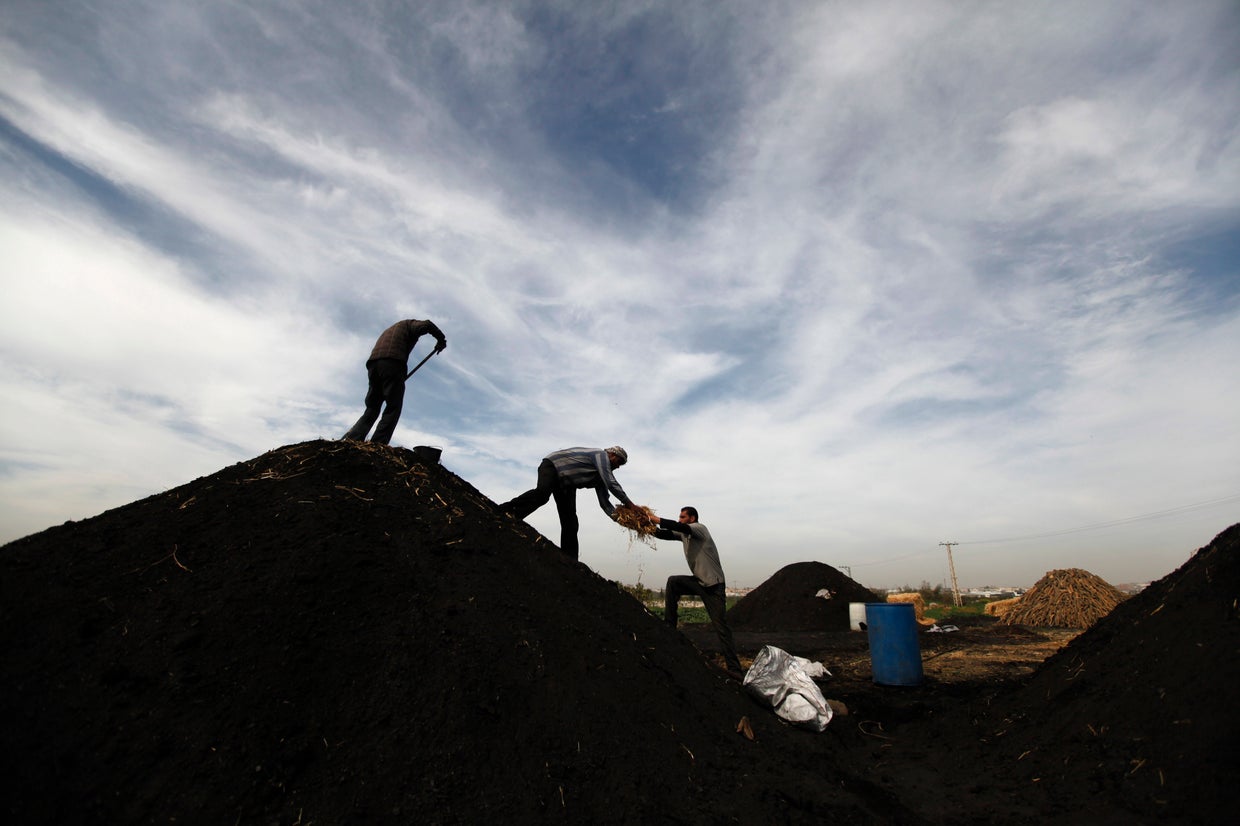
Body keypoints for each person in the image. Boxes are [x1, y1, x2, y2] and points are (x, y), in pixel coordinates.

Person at [652, 506, 744, 676]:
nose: (679, 519)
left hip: (714, 586)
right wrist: (642, 524)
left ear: (692, 518)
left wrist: (654, 518)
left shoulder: (699, 529)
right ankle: (669, 626)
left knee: (721, 628)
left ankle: (735, 670)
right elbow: (663, 534)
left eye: (683, 517)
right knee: (673, 582)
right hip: (698, 582)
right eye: (679, 517)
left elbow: (676, 526)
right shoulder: (684, 534)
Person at [501, 446, 633, 560]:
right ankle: (507, 512)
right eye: (619, 462)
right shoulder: (601, 455)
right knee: (542, 494)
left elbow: (605, 504)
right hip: (553, 466)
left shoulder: (600, 477)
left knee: (570, 520)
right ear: (612, 454)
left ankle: (570, 558)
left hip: (567, 483)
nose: (618, 466)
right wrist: (630, 505)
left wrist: (623, 519)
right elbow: (611, 483)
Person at [343, 318, 447, 445]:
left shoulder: (391, 330)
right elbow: (427, 325)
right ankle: (378, 443)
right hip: (393, 362)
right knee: (393, 406)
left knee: (372, 407)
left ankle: (353, 439)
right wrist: (441, 340)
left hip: (374, 364)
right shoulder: (410, 324)